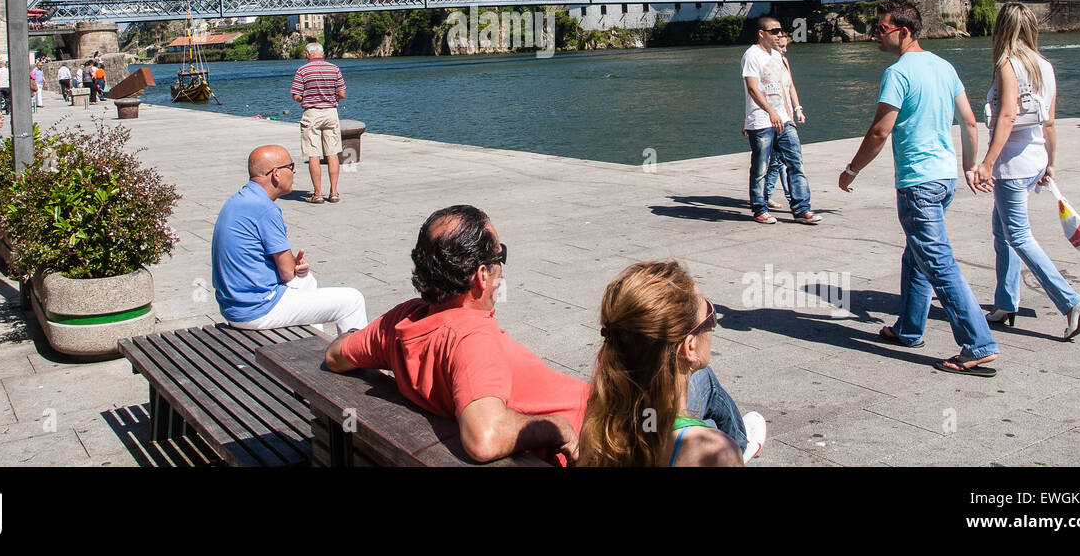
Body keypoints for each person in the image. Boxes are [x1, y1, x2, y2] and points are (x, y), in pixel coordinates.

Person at [324, 205, 587, 464]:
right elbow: (484, 438)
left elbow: (336, 356)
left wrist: (352, 334)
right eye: (500, 256)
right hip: (594, 430)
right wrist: (558, 427)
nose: (501, 268)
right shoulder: (471, 339)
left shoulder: (401, 321)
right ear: (482, 275)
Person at [838, 0, 999, 376]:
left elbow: (880, 130)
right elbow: (971, 122)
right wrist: (970, 166)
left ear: (904, 31)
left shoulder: (898, 73)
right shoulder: (944, 66)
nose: (875, 34)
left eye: (881, 29)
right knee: (917, 255)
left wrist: (852, 169)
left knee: (938, 262)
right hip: (944, 179)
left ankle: (979, 345)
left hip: (918, 182)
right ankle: (909, 328)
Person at [972, 3, 1080, 341]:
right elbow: (1050, 121)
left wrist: (987, 162)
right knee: (1002, 231)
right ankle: (1006, 302)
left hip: (1010, 165)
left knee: (1019, 237)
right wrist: (1050, 162)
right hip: (1035, 158)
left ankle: (1070, 303)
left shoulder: (1008, 65)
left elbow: (1007, 117)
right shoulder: (1045, 66)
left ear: (1002, 30)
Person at [579, 261, 764, 467]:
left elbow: (651, 425)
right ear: (690, 346)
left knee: (702, 381)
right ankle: (741, 445)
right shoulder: (713, 452)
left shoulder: (600, 425)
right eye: (710, 316)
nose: (712, 322)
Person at [211, 145, 367, 333]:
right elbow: (287, 273)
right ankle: (352, 360)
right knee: (352, 300)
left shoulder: (238, 200)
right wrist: (293, 265)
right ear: (276, 174)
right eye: (290, 166)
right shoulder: (265, 209)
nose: (294, 171)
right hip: (257, 310)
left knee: (306, 280)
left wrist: (296, 266)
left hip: (233, 307)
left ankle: (314, 343)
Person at [741, 16, 818, 224]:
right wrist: (770, 112)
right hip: (761, 121)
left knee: (796, 163)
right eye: (774, 31)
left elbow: (783, 87)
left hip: (783, 121)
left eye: (781, 31)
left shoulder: (777, 56)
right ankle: (759, 209)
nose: (779, 35)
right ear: (762, 33)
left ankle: (802, 209)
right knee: (761, 167)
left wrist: (789, 114)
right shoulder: (751, 55)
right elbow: (753, 89)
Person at [290, 41, 346, 204]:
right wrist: (331, 98)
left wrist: (305, 97)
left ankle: (318, 194)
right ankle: (334, 193)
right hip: (331, 112)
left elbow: (296, 96)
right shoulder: (334, 69)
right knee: (332, 153)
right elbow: (341, 93)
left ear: (308, 54)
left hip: (312, 113)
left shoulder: (302, 70)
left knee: (313, 154)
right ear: (322, 53)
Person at [760, 28, 803, 211]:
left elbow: (790, 86)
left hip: (786, 117)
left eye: (786, 46)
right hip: (776, 119)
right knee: (783, 161)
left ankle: (769, 196)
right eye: (781, 47)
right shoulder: (766, 63)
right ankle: (786, 199)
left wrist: (798, 109)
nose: (785, 50)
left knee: (781, 161)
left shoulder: (784, 61)